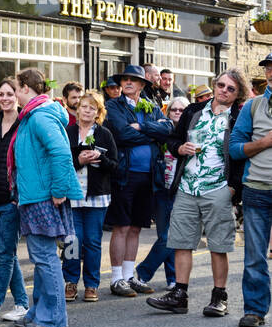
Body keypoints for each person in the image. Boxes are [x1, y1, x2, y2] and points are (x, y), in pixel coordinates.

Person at [146, 69, 248, 317]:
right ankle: (179, 295)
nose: (223, 90)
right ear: (214, 85)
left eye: (230, 88)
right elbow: (171, 139)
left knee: (218, 245)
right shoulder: (193, 111)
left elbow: (243, 155)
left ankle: (219, 297)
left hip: (218, 188)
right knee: (181, 242)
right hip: (187, 186)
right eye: (221, 85)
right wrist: (180, 148)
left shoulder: (239, 117)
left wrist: (233, 188)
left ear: (238, 94)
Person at [6, 70, 84, 327]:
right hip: (36, 195)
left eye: (16, 88)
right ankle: (39, 313)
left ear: (26, 88)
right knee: (41, 256)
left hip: (43, 197)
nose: (14, 94)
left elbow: (61, 153)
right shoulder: (35, 114)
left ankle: (52, 317)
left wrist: (59, 189)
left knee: (45, 257)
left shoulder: (39, 116)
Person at [104, 64, 173, 297]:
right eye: (124, 80)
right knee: (121, 226)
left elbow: (169, 130)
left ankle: (128, 276)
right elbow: (122, 134)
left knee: (135, 228)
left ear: (142, 85)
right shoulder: (113, 105)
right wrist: (152, 133)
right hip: (125, 174)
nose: (128, 83)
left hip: (149, 176)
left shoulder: (152, 106)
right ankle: (116, 279)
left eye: (133, 80)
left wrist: (142, 127)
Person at [229, 53, 272, 327]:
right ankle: (255, 310)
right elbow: (234, 148)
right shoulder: (253, 106)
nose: (271, 73)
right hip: (257, 188)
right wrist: (265, 142)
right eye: (269, 68)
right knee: (255, 254)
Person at [63, 91, 119, 302]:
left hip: (97, 198)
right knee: (72, 240)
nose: (87, 110)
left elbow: (115, 166)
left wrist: (101, 159)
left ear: (98, 113)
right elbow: (60, 164)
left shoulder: (105, 134)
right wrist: (79, 161)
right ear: (77, 109)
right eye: (84, 106)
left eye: (92, 108)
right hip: (72, 196)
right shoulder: (67, 132)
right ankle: (70, 281)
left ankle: (92, 285)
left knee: (93, 242)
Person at [0, 78, 30, 323]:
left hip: (11, 202)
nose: (5, 98)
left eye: (10, 94)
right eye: (1, 94)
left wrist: (18, 198)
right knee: (7, 254)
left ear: (17, 96)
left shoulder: (24, 125)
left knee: (4, 255)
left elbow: (26, 165)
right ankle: (22, 303)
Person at [135, 96, 188, 291]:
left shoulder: (189, 134)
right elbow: (150, 127)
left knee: (170, 236)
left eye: (182, 110)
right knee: (165, 236)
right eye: (174, 109)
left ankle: (143, 272)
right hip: (161, 190)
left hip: (181, 190)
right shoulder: (162, 131)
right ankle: (173, 279)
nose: (177, 113)